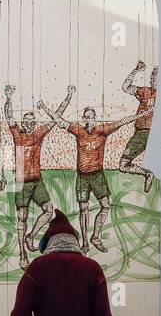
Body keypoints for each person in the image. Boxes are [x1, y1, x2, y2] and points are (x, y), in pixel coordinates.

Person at [36, 100, 152, 254]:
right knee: (83, 210)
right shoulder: (78, 130)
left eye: (92, 116)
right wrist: (44, 107)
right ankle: (84, 241)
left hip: (98, 176)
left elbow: (123, 121)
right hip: (83, 177)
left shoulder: (103, 130)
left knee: (105, 206)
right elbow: (60, 121)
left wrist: (142, 114)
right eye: (87, 117)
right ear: (83, 119)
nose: (89, 119)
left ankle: (95, 236)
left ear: (95, 118)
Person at [4, 83, 73, 270]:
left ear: (34, 123)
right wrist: (9, 98)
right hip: (20, 183)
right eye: (26, 120)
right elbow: (9, 115)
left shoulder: (38, 134)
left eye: (32, 120)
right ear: (23, 122)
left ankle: (31, 236)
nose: (29, 122)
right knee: (22, 218)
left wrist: (68, 97)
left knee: (49, 210)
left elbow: (56, 118)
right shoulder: (17, 134)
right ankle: (22, 254)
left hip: (36, 181)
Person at [119, 61, 156, 192]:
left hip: (156, 135)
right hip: (140, 134)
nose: (154, 80)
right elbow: (126, 87)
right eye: (152, 77)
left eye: (157, 78)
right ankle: (147, 174)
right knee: (123, 165)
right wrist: (136, 70)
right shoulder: (145, 92)